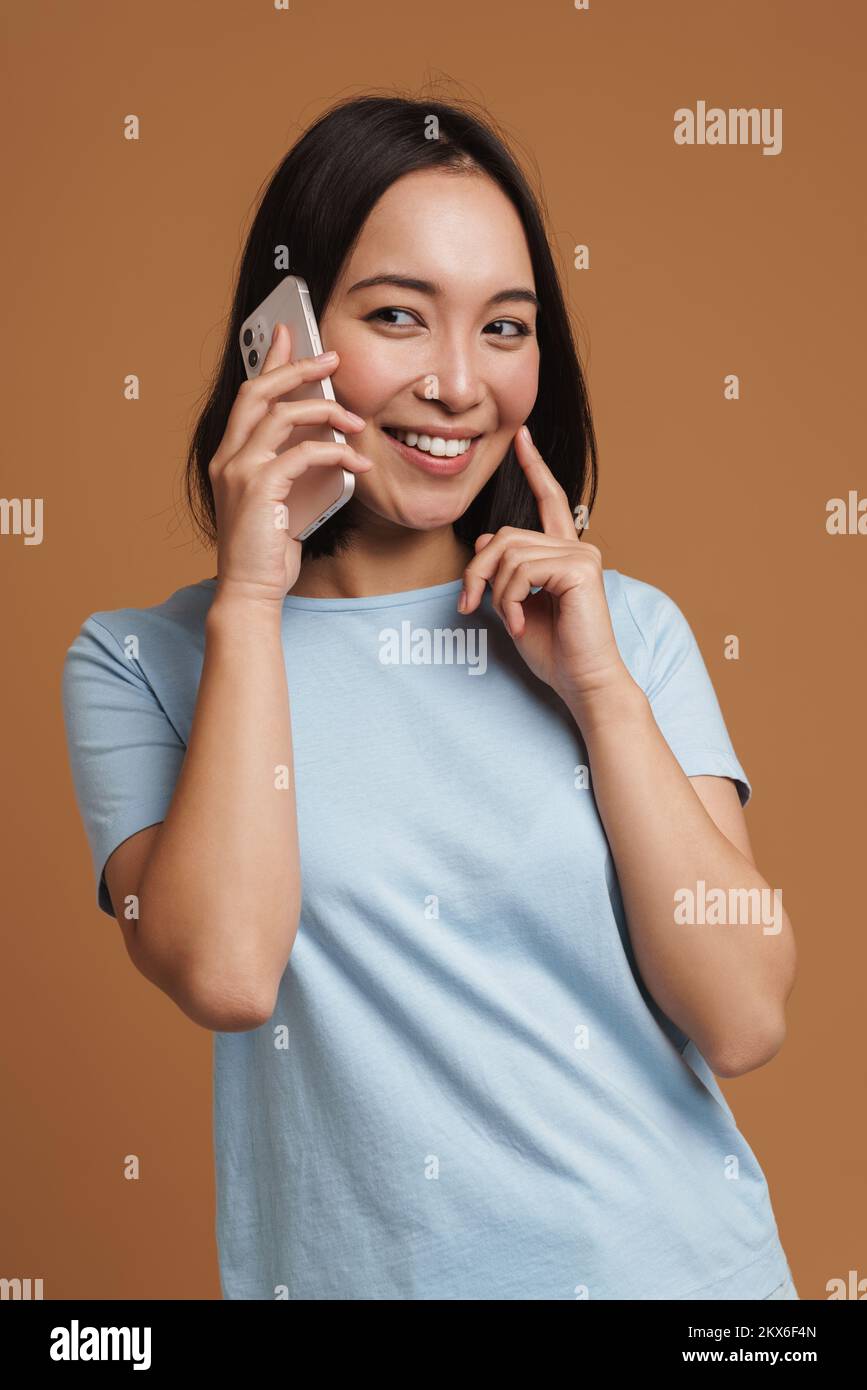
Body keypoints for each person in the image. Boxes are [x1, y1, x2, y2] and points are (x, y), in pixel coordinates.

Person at [62, 94, 799, 1300]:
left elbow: (744, 1017)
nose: (459, 383)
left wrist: (602, 690)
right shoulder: (142, 662)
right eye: (399, 315)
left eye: (505, 327)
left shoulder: (630, 633)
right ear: (282, 336)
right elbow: (230, 972)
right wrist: (254, 596)